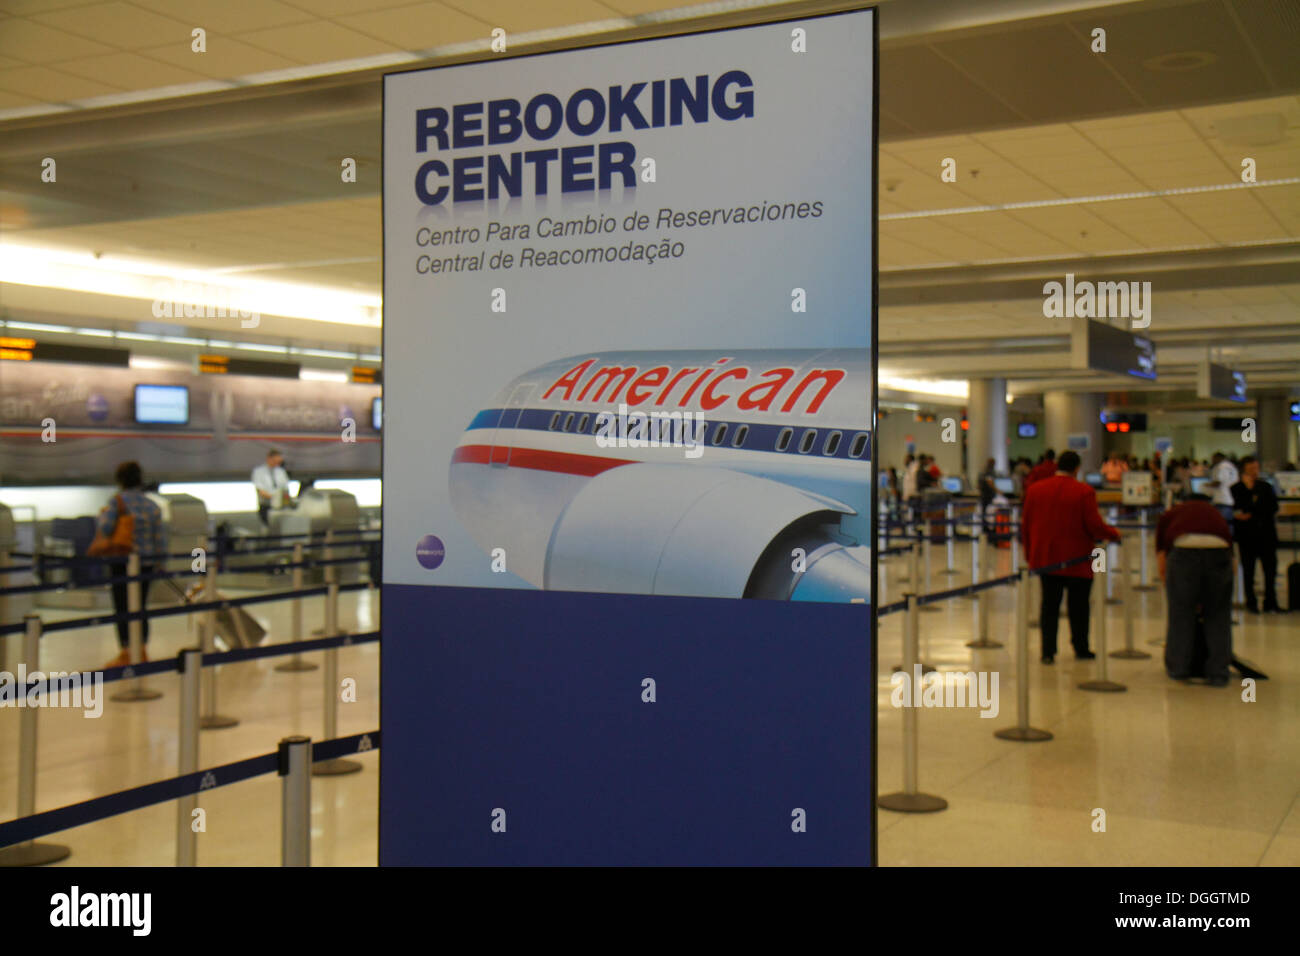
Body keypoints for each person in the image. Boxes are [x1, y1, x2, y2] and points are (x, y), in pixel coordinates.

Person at [1020, 450, 1121, 664]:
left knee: (1049, 606)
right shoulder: (1084, 491)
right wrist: (1114, 535)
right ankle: (1081, 648)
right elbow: (1094, 525)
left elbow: (1026, 525)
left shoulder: (1035, 490)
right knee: (1079, 607)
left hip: (1046, 559)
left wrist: (1030, 555)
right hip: (1078, 559)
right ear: (1077, 468)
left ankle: (1047, 652)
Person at [1156, 494, 1233, 685]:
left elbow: (1161, 554)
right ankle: (1219, 672)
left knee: (1181, 613)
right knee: (1218, 615)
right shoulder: (1216, 513)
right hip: (1219, 553)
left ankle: (1178, 668)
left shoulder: (1172, 513)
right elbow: (1232, 555)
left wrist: (1167, 582)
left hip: (1184, 554)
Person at [97, 461, 166, 668]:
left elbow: (106, 528)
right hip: (145, 564)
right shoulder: (152, 505)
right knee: (140, 605)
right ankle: (142, 649)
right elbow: (160, 539)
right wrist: (160, 562)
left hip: (121, 561)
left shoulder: (117, 502)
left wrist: (101, 517)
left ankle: (126, 651)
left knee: (122, 606)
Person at [1231, 455, 1280, 613]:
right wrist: (1248, 491)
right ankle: (1251, 601)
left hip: (1266, 534)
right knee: (1248, 569)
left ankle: (1270, 601)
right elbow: (1238, 510)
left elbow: (1272, 507)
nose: (1254, 472)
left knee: (1270, 569)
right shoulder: (1237, 489)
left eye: (1256, 469)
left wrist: (1252, 512)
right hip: (1247, 536)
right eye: (1251, 469)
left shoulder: (1265, 487)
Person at [252, 449, 290, 525]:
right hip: (266, 506)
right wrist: (275, 498)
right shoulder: (258, 472)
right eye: (275, 461)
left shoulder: (281, 472)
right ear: (269, 458)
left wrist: (287, 503)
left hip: (281, 507)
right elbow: (260, 491)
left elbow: (285, 489)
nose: (277, 463)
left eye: (279, 462)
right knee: (269, 527)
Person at [1207, 452, 1239, 523]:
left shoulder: (1220, 467)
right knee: (1229, 522)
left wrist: (1205, 485)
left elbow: (1218, 482)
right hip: (1230, 499)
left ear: (1218, 458)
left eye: (1213, 459)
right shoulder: (1231, 466)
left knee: (1222, 522)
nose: (1212, 461)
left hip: (1222, 499)